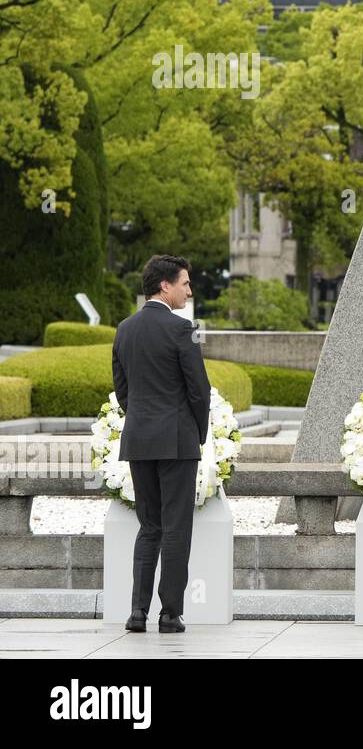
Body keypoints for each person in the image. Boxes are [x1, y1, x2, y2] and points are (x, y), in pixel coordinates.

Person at [111, 254, 210, 634]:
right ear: (164, 285)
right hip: (178, 441)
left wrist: (141, 420)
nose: (189, 290)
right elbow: (198, 391)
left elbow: (124, 392)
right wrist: (197, 433)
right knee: (176, 528)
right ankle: (170, 614)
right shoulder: (183, 329)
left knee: (148, 526)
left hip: (139, 439)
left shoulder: (124, 329)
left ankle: (137, 613)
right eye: (185, 283)